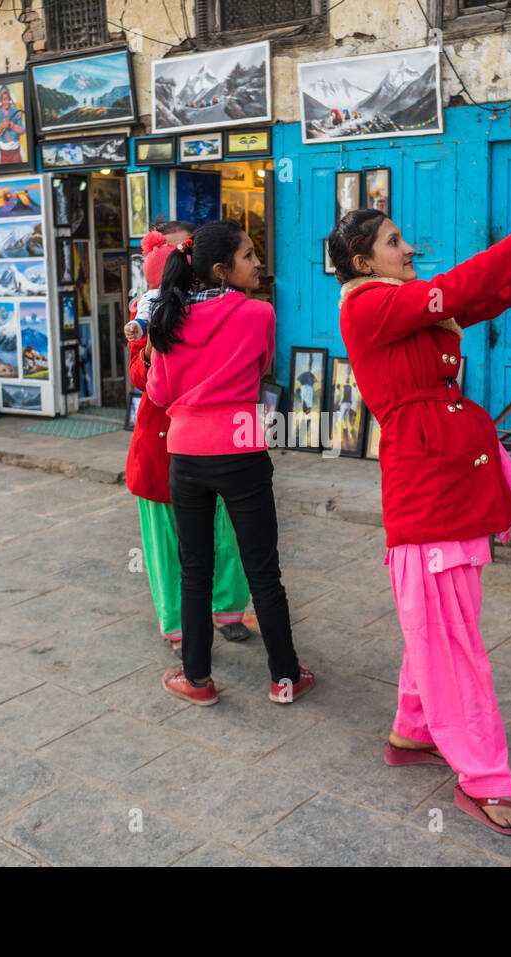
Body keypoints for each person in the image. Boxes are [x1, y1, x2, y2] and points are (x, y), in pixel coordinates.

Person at [329, 177, 511, 837]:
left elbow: (490, 294)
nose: (408, 247)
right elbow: (467, 285)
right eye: (393, 241)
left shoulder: (404, 304)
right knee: (453, 635)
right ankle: (485, 779)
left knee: (443, 621)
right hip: (427, 483)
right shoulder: (366, 308)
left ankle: (414, 729)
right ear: (362, 263)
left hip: (446, 473)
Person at [145, 219, 313, 706]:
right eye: (248, 255)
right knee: (263, 570)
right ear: (221, 270)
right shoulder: (258, 314)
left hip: (186, 452)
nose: (258, 263)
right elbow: (261, 368)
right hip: (241, 449)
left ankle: (196, 680)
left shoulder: (166, 319)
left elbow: (158, 391)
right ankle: (285, 678)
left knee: (194, 569)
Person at [124, 227, 254, 655]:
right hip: (162, 440)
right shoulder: (147, 312)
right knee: (165, 540)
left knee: (226, 530)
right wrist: (152, 345)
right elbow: (141, 379)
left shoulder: (227, 307)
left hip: (217, 438)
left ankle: (228, 610)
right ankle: (177, 622)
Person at [0, 87, 26, 166]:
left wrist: (11, 125)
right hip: (4, 152)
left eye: (8, 99)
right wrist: (1, 127)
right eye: (4, 99)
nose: (6, 102)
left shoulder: (15, 111)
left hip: (16, 151)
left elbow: (22, 131)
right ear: (1, 100)